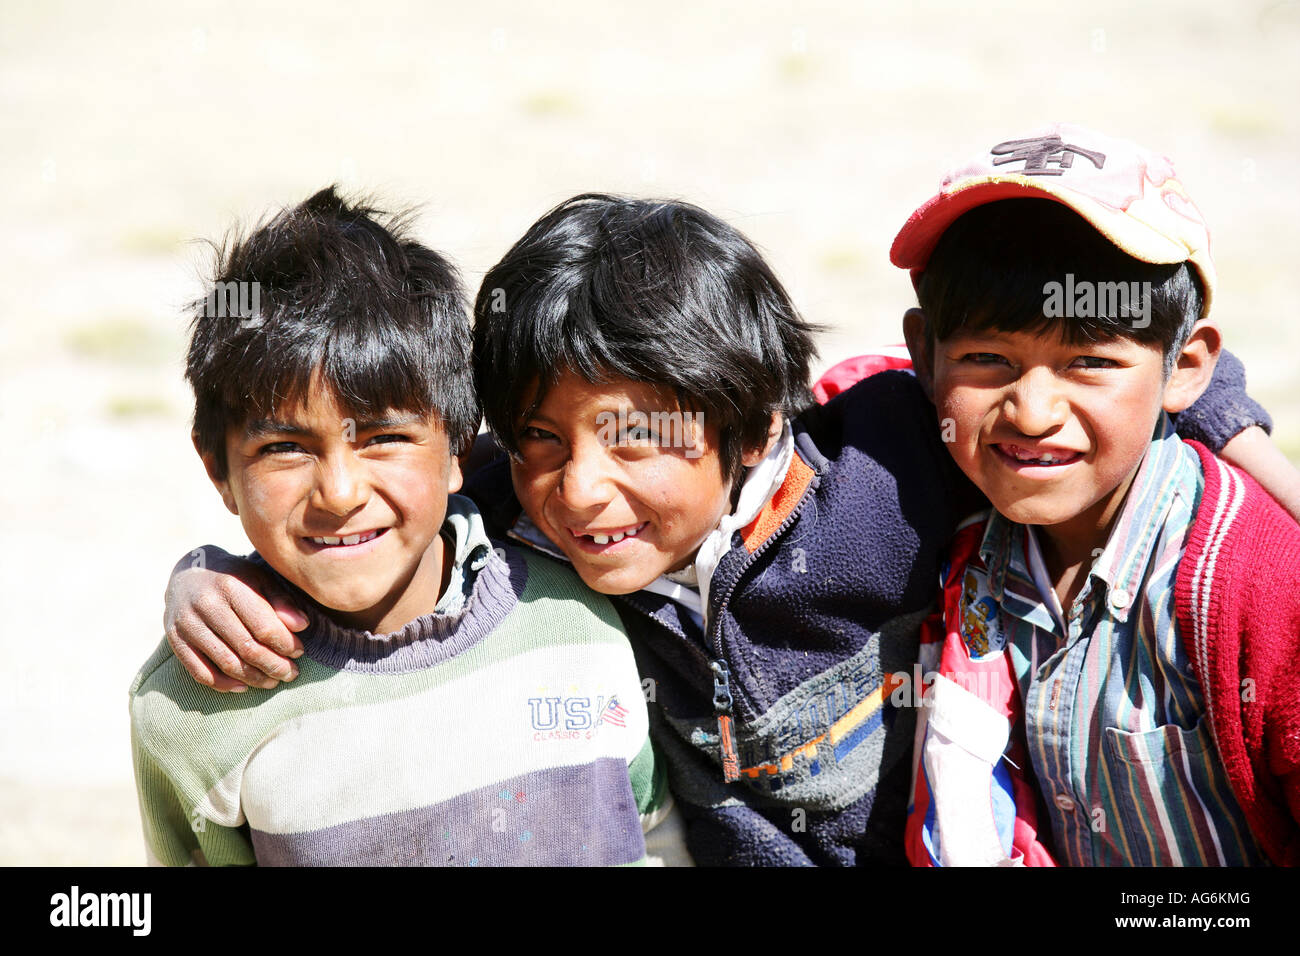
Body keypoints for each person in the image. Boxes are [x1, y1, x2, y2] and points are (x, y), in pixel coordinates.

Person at [158, 182, 1287, 865]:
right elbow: (378, 499)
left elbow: (1056, 380)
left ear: (753, 423)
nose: (583, 488)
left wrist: (1229, 421)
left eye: (638, 435)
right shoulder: (521, 513)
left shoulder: (887, 460)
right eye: (541, 438)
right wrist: (215, 572)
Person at [129, 187, 664, 866]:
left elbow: (653, 830)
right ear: (218, 470)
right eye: (283, 448)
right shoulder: (190, 709)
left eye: (383, 437)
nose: (341, 493)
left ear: (459, 450)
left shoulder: (583, 608)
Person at [898, 123, 1300, 866]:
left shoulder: (1260, 588)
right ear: (924, 355)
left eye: (1089, 360)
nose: (1032, 411)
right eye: (987, 358)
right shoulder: (930, 522)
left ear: (1186, 370)